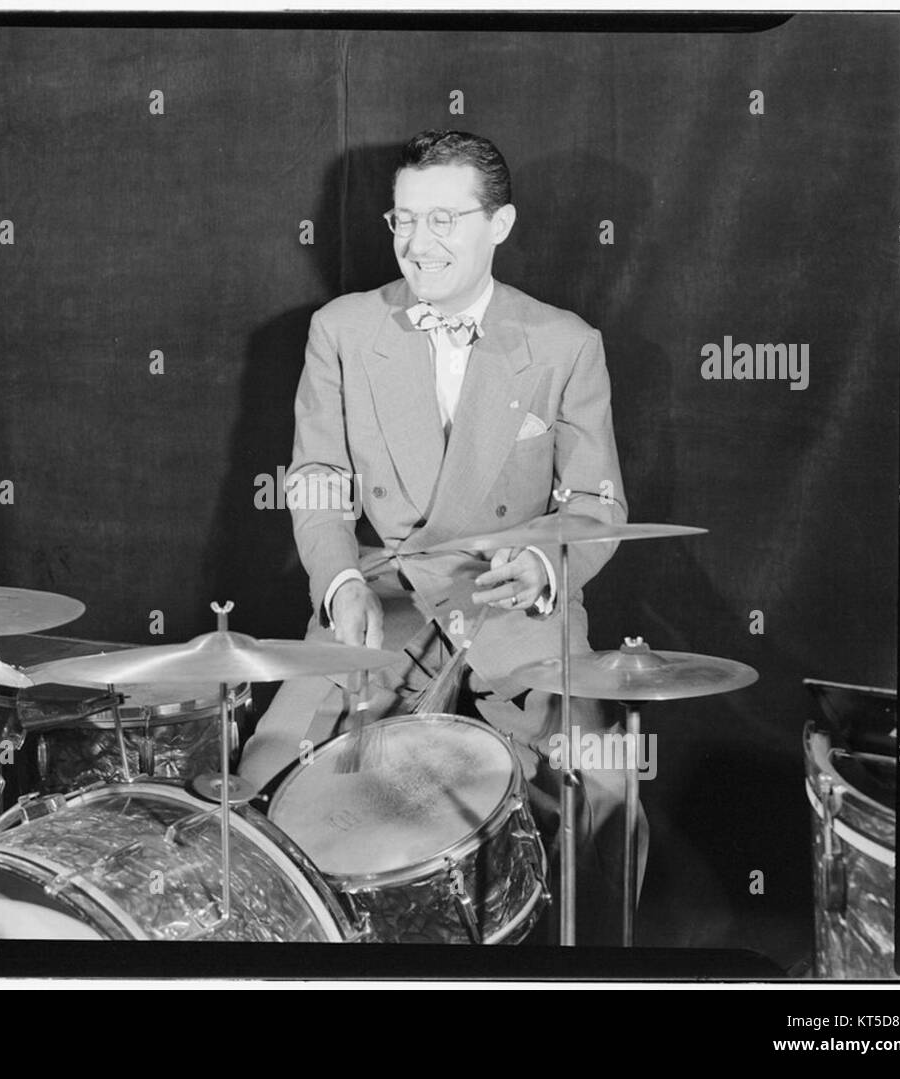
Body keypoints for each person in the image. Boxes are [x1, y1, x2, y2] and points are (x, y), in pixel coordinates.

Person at [240, 130, 644, 943]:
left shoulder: (566, 345)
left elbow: (598, 505)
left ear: (500, 224)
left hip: (513, 608)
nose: (418, 245)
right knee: (263, 777)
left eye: (445, 220)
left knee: (605, 789)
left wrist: (539, 562)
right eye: (403, 220)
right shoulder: (342, 331)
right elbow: (317, 481)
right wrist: (339, 581)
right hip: (381, 598)